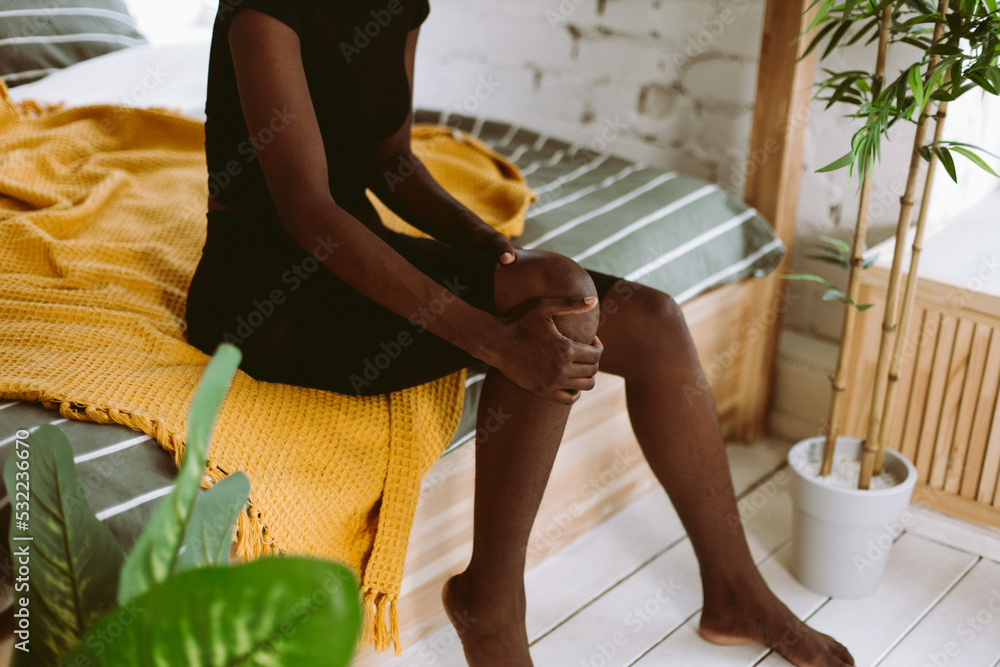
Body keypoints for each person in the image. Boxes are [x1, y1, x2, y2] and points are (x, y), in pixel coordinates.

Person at [184, 1, 855, 665]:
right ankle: (492, 607)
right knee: (557, 304)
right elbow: (309, 212)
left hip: (361, 247)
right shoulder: (265, 13)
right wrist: (488, 333)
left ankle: (735, 590)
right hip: (270, 297)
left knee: (649, 320)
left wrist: (493, 250)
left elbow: (392, 163)